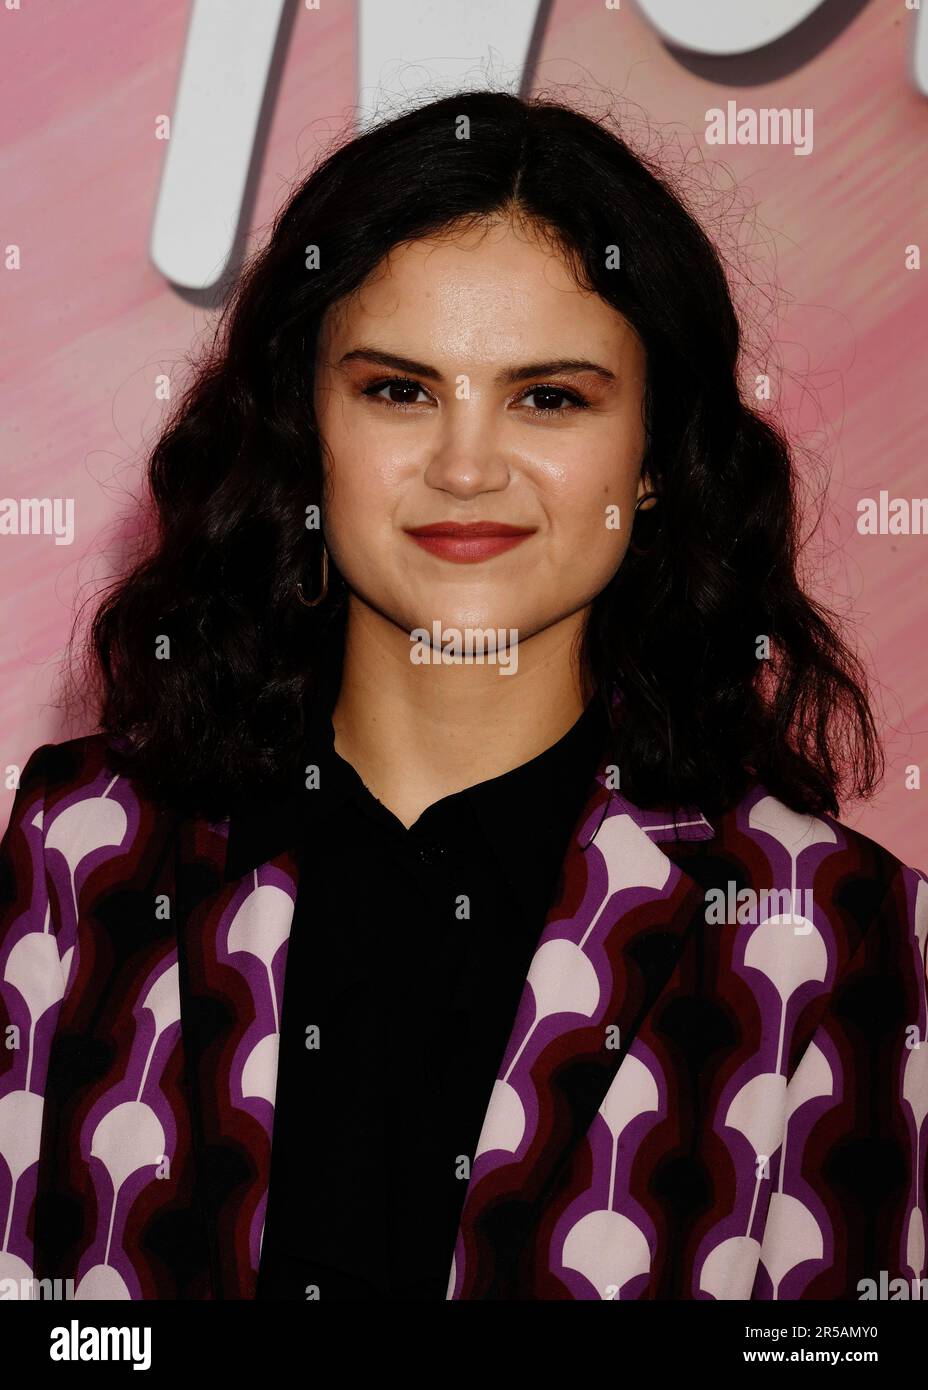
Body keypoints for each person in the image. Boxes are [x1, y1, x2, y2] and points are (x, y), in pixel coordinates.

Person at [0, 89, 925, 1302]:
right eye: (399, 389)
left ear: (653, 463)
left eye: (550, 396)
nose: (467, 466)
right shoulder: (87, 849)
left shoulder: (828, 926)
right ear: (301, 427)